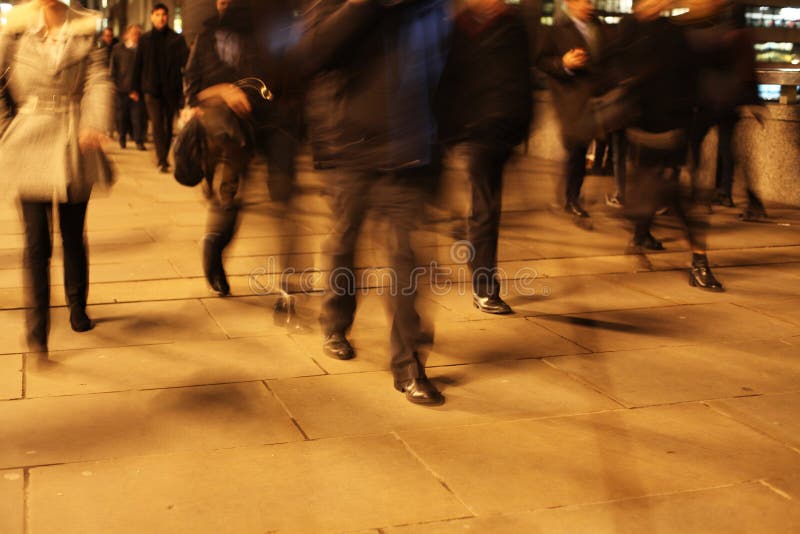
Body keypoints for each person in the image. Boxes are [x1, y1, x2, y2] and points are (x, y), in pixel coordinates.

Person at [295, 0, 451, 405]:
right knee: (345, 240)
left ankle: (410, 367)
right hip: (352, 150)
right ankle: (335, 322)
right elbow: (312, 52)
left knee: (405, 259)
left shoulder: (428, 7)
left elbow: (447, 70)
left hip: (410, 153)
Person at [0, 0, 113, 352]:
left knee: (72, 233)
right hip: (27, 139)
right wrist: (4, 128)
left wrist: (93, 122)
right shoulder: (16, 29)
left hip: (72, 140)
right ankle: (37, 326)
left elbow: (99, 80)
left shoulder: (83, 28)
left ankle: (77, 304)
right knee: (36, 242)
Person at [184, 0, 299, 304]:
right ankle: (214, 247)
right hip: (230, 134)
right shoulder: (207, 37)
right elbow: (192, 89)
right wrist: (222, 90)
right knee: (229, 199)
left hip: (274, 127)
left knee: (285, 205)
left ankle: (288, 288)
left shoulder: (266, 28)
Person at [615, 0, 723, 291]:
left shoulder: (672, 32)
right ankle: (697, 262)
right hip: (645, 127)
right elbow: (617, 74)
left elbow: (692, 78)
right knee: (674, 195)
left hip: (672, 126)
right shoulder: (628, 31)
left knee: (670, 191)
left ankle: (642, 237)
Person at [436, 0, 532, 314]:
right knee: (485, 209)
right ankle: (485, 287)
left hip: (499, 130)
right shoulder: (454, 27)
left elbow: (522, 79)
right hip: (471, 129)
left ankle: (481, 273)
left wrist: (520, 123)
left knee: (486, 208)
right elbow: (444, 79)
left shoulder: (513, 25)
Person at [536, 0, 613, 219]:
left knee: (579, 149)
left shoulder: (600, 27)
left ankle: (569, 194)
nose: (587, 6)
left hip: (597, 98)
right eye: (582, 1)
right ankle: (572, 198)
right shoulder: (556, 30)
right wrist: (564, 64)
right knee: (577, 148)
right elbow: (541, 60)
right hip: (570, 98)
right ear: (569, 4)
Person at [131, 3, 189, 173]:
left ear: (167, 17)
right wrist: (134, 88)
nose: (161, 17)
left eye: (164, 14)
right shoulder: (145, 39)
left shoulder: (177, 39)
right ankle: (162, 159)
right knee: (157, 124)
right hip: (151, 89)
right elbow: (138, 64)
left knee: (168, 125)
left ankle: (163, 157)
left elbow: (186, 63)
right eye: (157, 14)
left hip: (171, 89)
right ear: (152, 17)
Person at [110, 24, 146, 150]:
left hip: (137, 90)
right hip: (122, 89)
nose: (136, 36)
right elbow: (113, 69)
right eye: (134, 33)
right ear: (127, 35)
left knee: (138, 117)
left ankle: (139, 140)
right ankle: (122, 138)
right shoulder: (118, 49)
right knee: (122, 116)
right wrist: (115, 85)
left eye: (138, 34)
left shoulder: (142, 49)